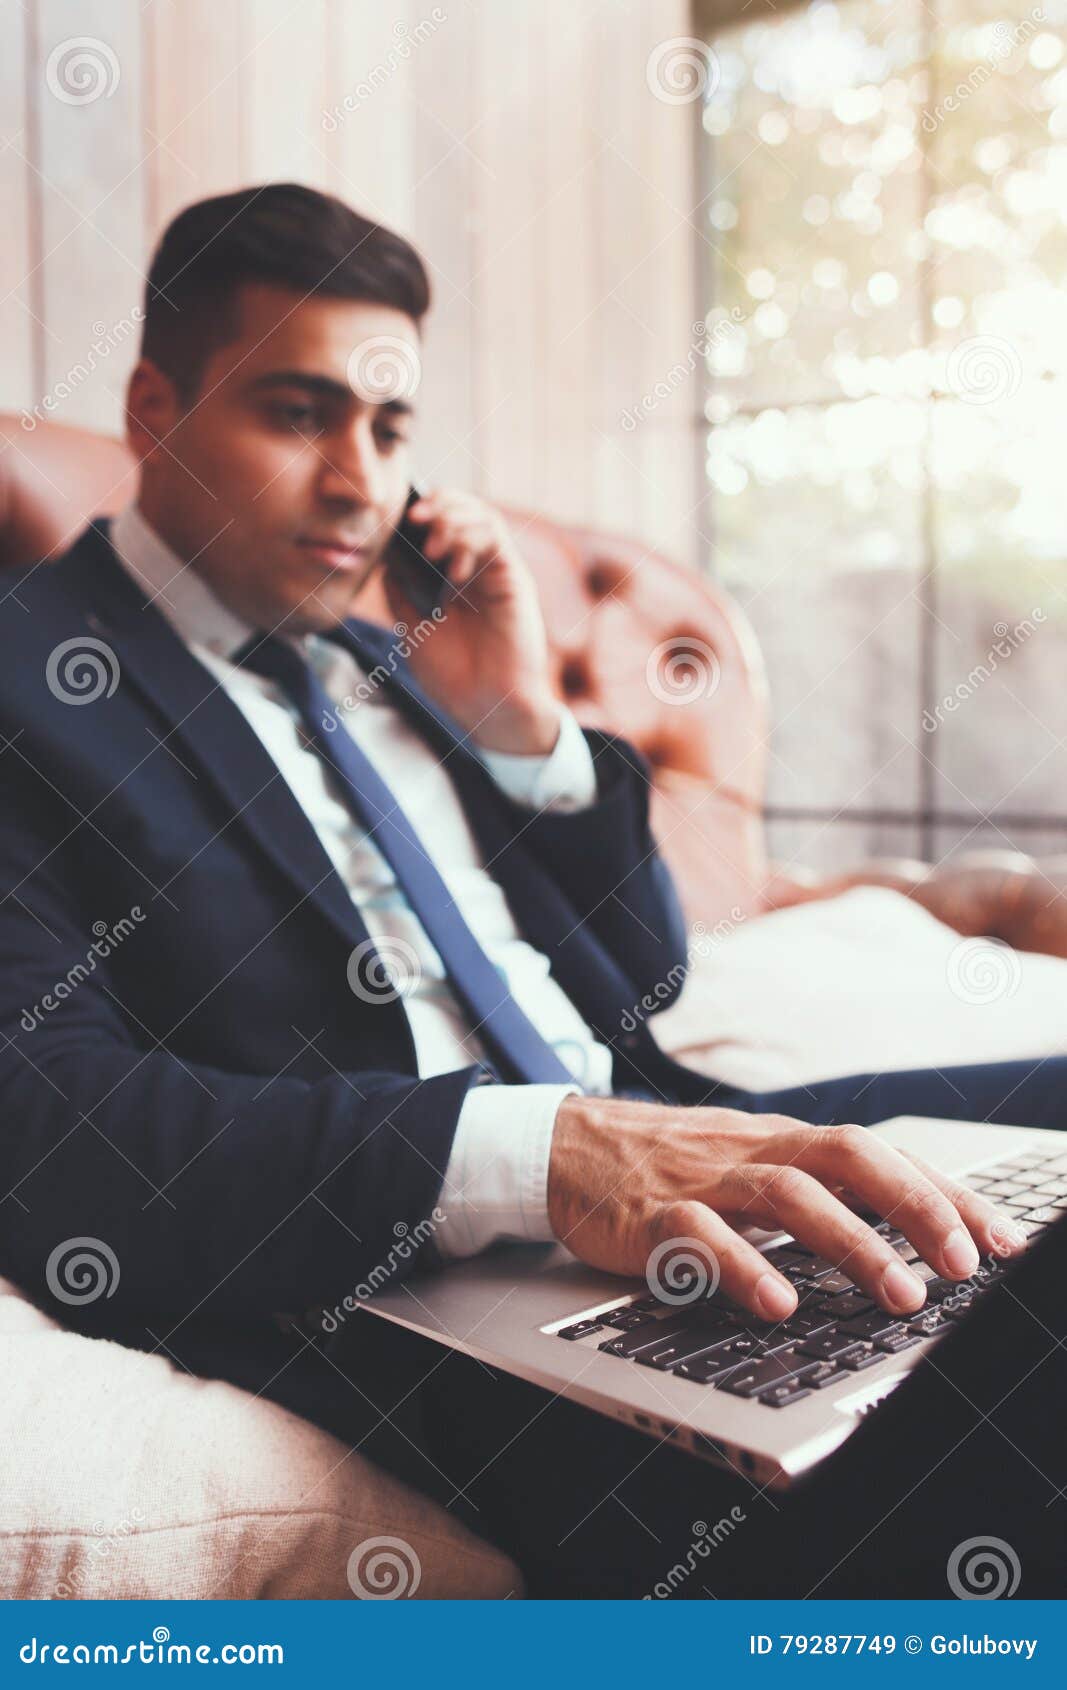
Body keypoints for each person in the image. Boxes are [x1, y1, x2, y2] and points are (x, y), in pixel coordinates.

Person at [0, 184, 1062, 1596]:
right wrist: (546, 1157)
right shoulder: (32, 682)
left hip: (684, 1130)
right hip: (433, 1281)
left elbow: (641, 989)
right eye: (298, 412)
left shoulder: (400, 665)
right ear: (152, 409)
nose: (359, 481)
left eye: (389, 430)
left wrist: (520, 730)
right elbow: (50, 1115)